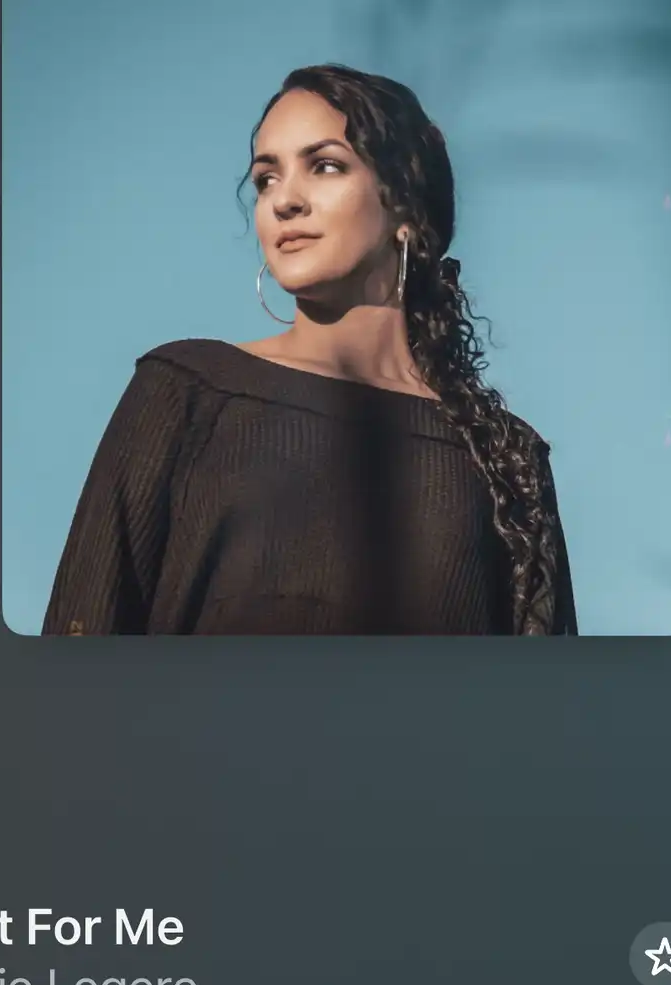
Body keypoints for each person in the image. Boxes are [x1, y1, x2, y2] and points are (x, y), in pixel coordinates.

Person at [42, 63, 578, 636]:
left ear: (406, 210)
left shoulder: (505, 459)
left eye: (324, 166)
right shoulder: (186, 392)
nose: (284, 201)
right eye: (266, 179)